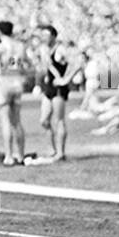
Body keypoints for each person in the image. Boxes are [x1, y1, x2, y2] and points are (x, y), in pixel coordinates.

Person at [0, 19, 31, 166]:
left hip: (3, 83)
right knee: (17, 121)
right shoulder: (20, 46)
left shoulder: (0, 47)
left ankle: (9, 156)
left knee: (5, 120)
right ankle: (21, 155)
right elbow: (27, 64)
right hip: (17, 82)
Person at [37, 24, 81, 161]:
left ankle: (60, 153)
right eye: (42, 35)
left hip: (58, 88)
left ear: (53, 36)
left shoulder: (60, 50)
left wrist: (65, 79)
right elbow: (48, 67)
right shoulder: (44, 49)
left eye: (46, 35)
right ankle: (52, 150)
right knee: (44, 120)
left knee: (59, 120)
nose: (43, 38)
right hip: (49, 87)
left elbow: (77, 64)